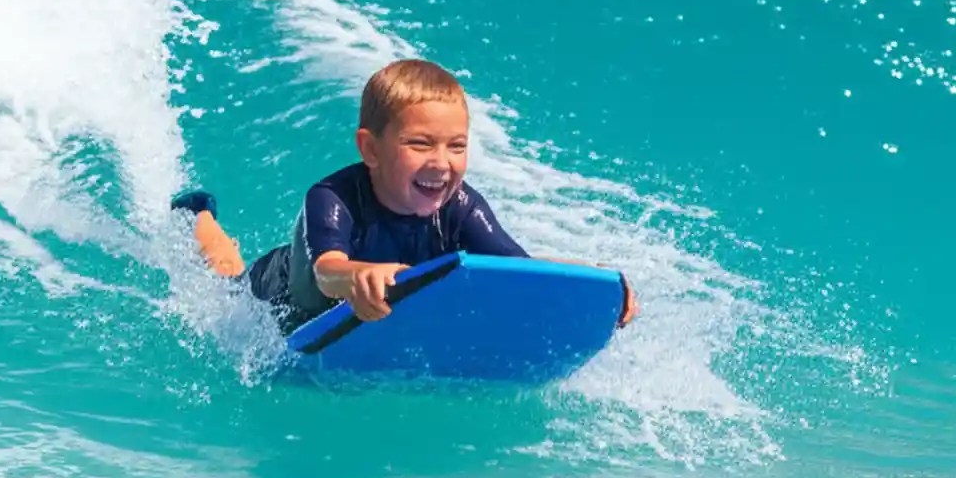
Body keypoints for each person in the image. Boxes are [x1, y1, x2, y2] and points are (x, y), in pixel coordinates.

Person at [171, 58, 638, 332]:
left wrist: (589, 283)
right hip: (279, 292)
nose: (442, 162)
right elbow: (328, 270)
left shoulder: (461, 206)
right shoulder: (332, 196)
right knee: (224, 274)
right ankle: (201, 215)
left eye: (457, 146)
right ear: (370, 148)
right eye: (420, 144)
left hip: (358, 298)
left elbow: (518, 269)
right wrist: (358, 276)